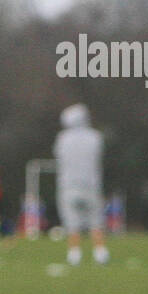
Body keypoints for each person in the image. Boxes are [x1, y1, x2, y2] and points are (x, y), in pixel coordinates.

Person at [53, 104, 109, 265]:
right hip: (91, 184)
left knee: (72, 222)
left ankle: (74, 254)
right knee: (96, 221)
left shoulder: (62, 139)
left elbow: (58, 156)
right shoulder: (95, 137)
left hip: (68, 185)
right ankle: (100, 253)